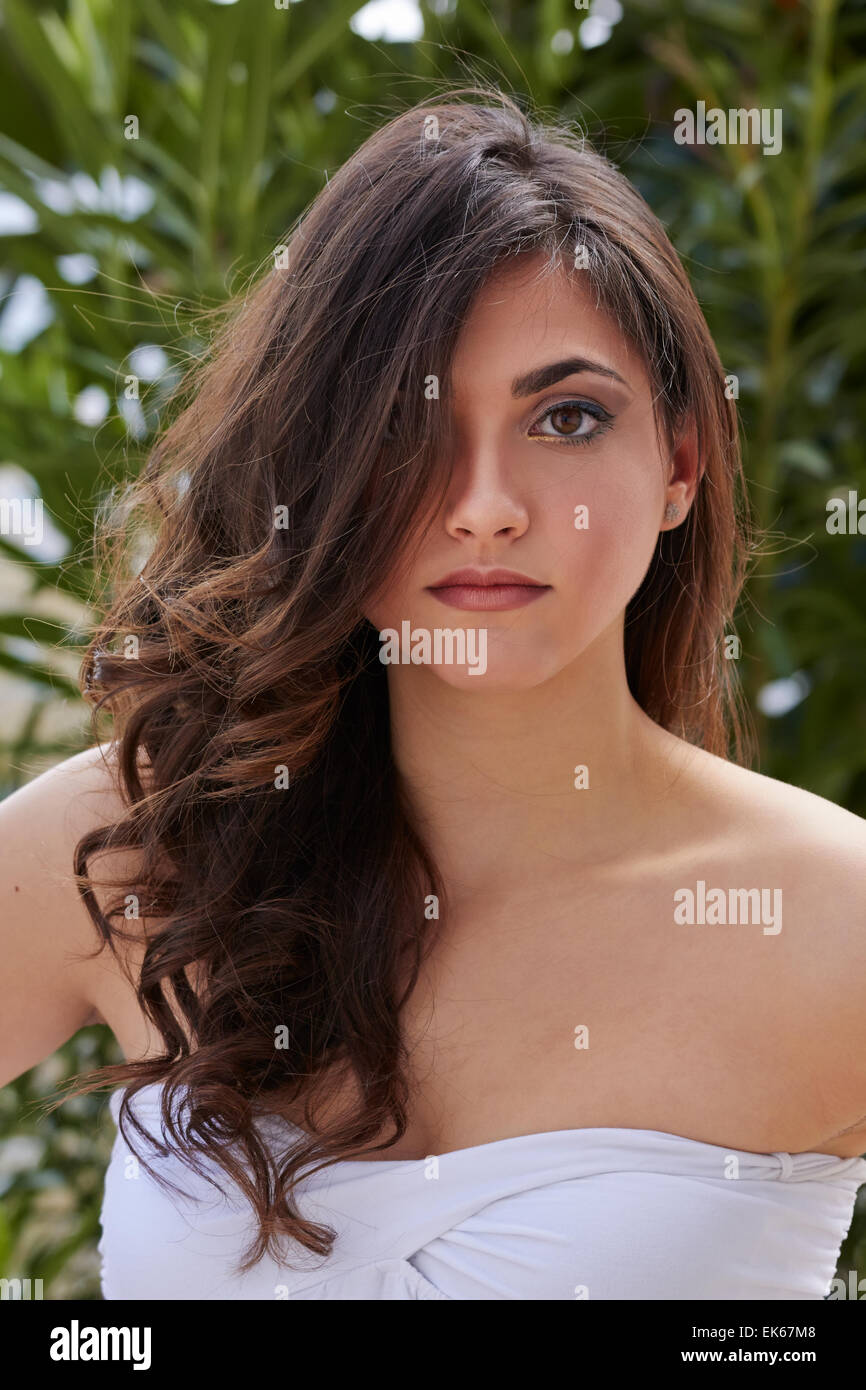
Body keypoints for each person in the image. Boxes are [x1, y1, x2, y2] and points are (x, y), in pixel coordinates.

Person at [2, 87, 865, 1301]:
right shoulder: (143, 845)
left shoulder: (833, 921)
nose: (485, 503)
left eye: (565, 417)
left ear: (677, 464)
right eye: (407, 425)